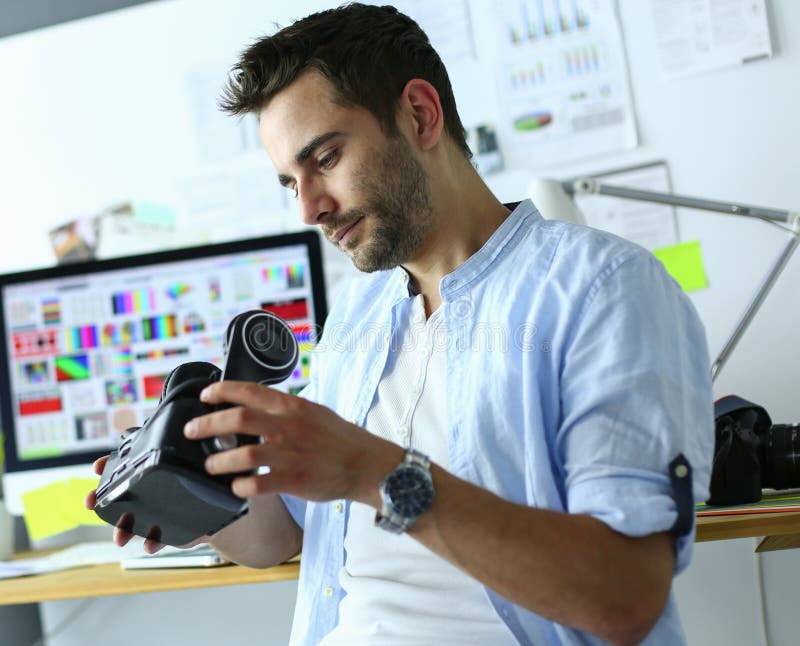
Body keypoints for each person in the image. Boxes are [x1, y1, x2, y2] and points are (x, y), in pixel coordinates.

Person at [87, 3, 714, 644]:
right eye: (289, 182)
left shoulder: (602, 291)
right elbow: (283, 536)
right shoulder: (357, 322)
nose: (309, 207)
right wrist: (190, 494)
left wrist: (376, 473)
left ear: (419, 114)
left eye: (325, 157)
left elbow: (626, 595)